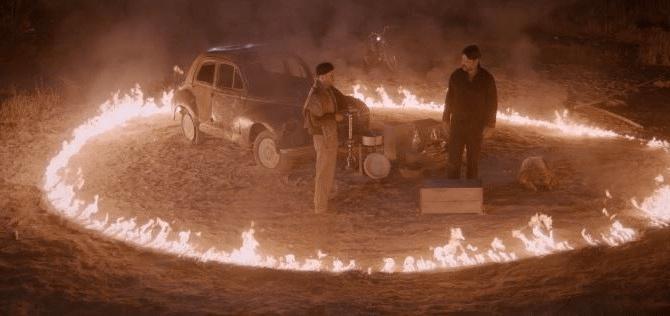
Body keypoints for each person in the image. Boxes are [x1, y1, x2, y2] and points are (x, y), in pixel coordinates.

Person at [443, 45, 498, 179]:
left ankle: (471, 192)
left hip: (476, 126)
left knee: (473, 161)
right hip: (457, 125)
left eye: (466, 61)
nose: (463, 63)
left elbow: (492, 103)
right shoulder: (456, 76)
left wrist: (491, 124)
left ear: (476, 61)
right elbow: (449, 99)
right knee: (453, 161)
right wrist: (445, 119)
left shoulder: (487, 79)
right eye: (462, 60)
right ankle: (452, 189)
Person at [303, 62, 346, 213]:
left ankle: (325, 200)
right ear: (321, 77)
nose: (333, 77)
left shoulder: (328, 90)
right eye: (330, 75)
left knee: (329, 169)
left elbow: (340, 100)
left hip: (330, 134)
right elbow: (315, 120)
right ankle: (320, 207)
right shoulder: (315, 95)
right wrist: (335, 117)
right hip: (322, 137)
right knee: (322, 171)